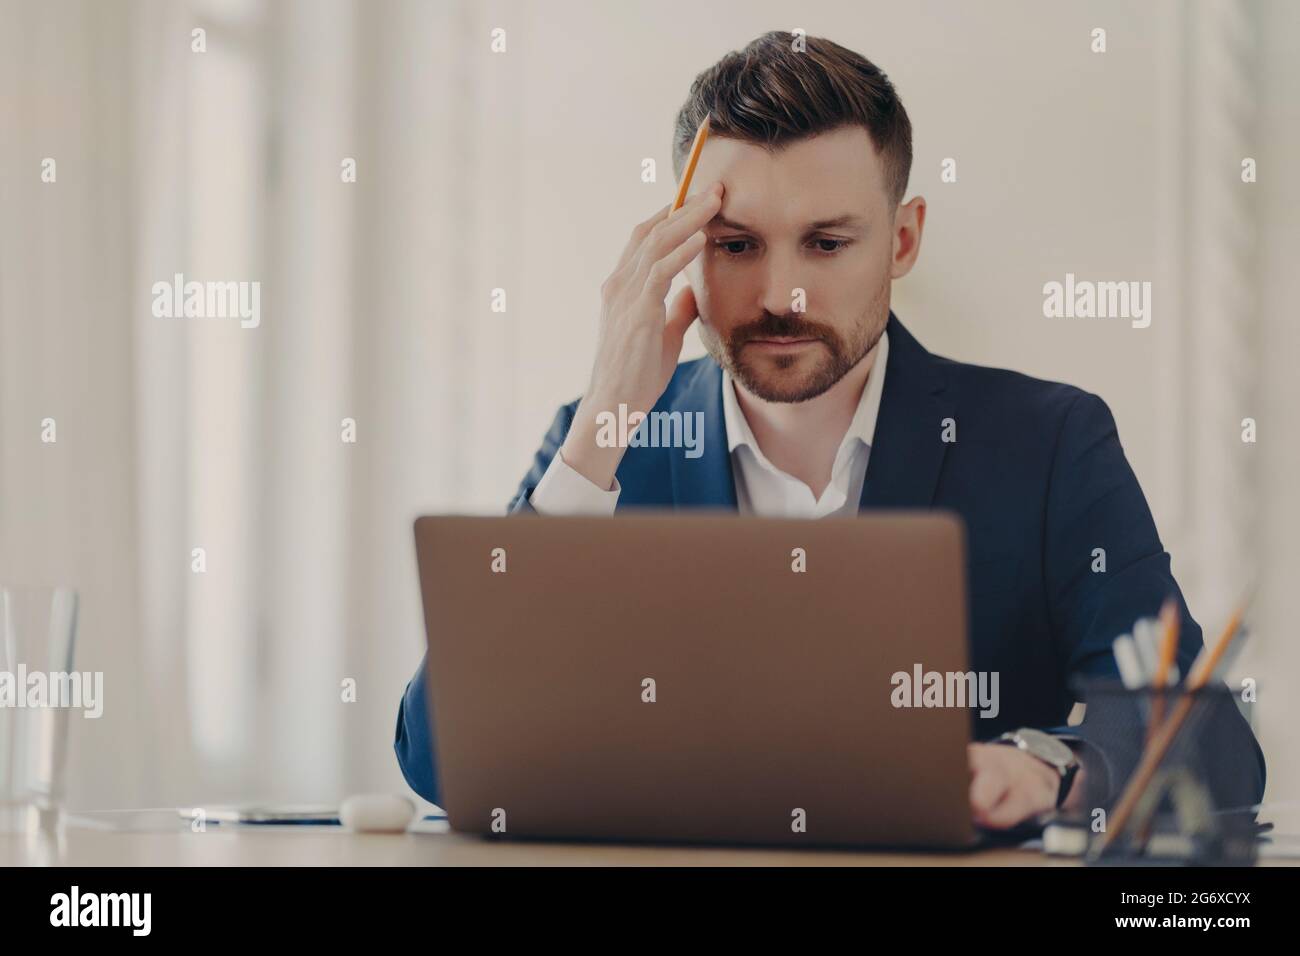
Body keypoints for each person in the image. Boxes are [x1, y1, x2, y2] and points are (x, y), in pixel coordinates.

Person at [397, 31, 1265, 829]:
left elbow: (1211, 745)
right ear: (678, 248)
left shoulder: (1051, 443)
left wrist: (1047, 768)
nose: (782, 296)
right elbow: (438, 757)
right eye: (736, 245)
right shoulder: (600, 450)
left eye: (825, 243)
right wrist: (601, 428)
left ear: (903, 239)